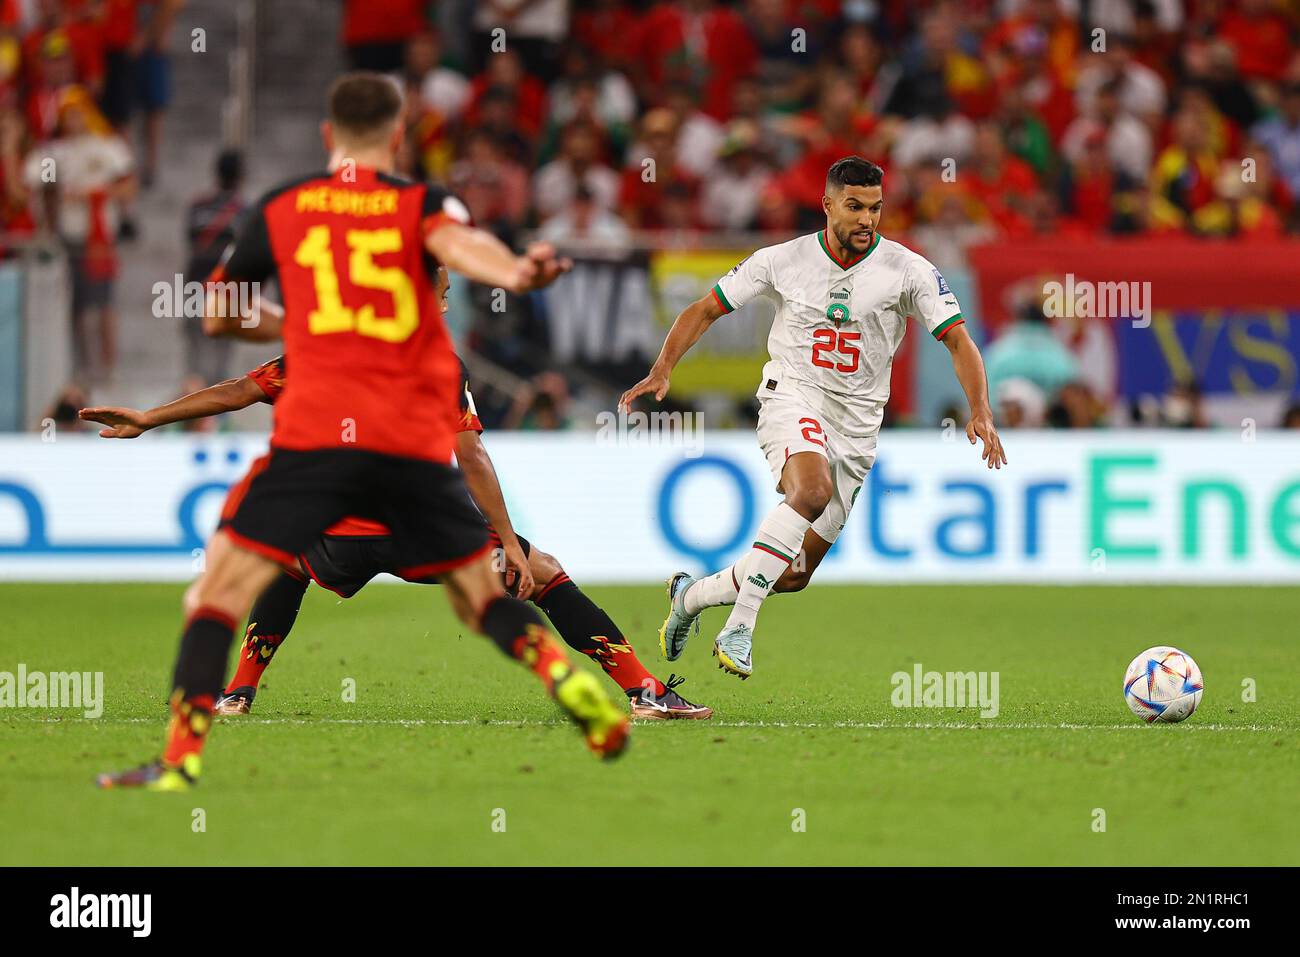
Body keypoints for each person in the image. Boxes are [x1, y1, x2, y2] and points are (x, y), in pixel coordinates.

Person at [96, 72, 625, 793]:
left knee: (217, 591)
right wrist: (522, 272)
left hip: (316, 444)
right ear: (399, 136)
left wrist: (306, 328)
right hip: (407, 453)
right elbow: (470, 254)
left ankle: (180, 760)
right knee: (480, 595)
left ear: (326, 137)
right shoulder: (424, 204)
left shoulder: (285, 206)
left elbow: (218, 315)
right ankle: (564, 680)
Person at [81, 267, 710, 721]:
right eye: (439, 293)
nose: (442, 304)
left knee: (284, 557)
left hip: (339, 536)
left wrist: (147, 418)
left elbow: (237, 391)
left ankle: (236, 693)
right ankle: (645, 692)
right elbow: (471, 456)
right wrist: (511, 545)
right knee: (541, 572)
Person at [620, 156, 1006, 679]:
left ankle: (690, 597)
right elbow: (706, 308)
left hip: (858, 428)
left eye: (875, 208)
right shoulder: (781, 260)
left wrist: (980, 408)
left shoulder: (909, 271)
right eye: (854, 207)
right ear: (827, 205)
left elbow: (959, 340)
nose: (866, 220)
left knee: (793, 573)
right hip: (793, 397)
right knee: (810, 490)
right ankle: (740, 626)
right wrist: (663, 367)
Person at [182, 149, 247, 384]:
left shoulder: (198, 206)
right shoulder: (245, 211)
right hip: (227, 286)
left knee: (196, 349)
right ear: (241, 177)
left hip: (195, 281)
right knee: (223, 352)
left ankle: (192, 399)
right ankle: (220, 403)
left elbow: (190, 241)